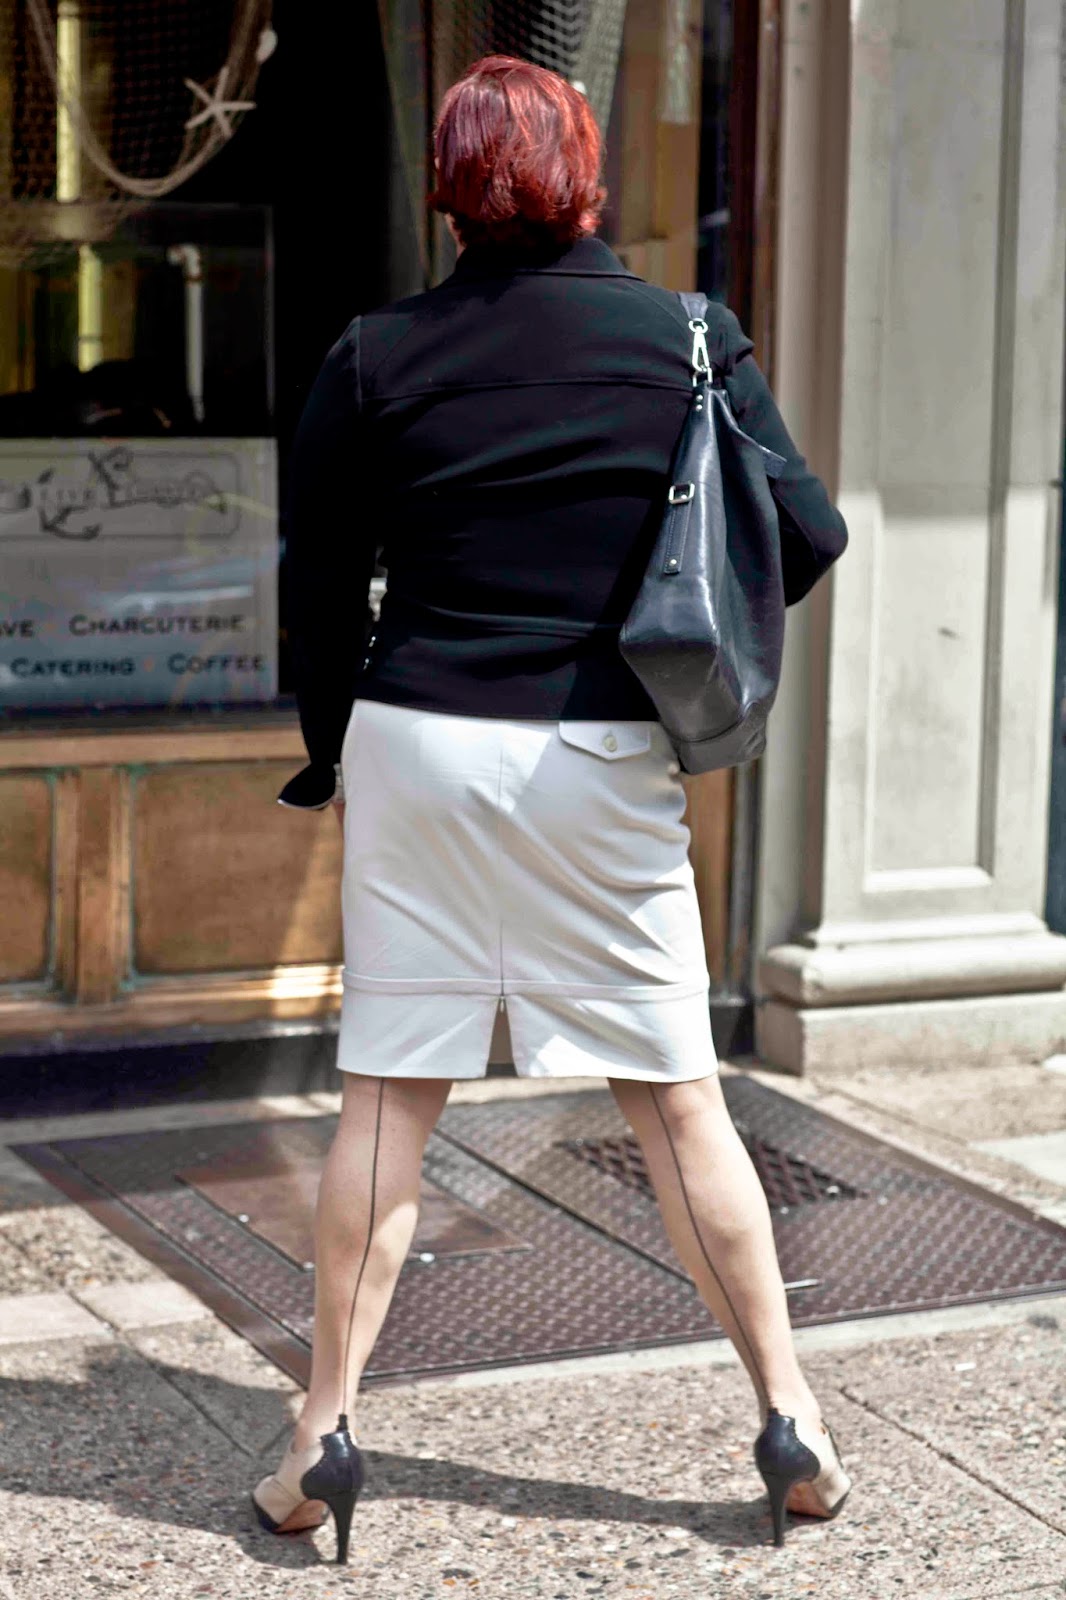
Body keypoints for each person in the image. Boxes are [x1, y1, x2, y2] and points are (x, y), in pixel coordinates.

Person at [252, 54, 851, 1560]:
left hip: (422, 737)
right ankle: (789, 1423)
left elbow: (318, 589)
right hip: (601, 749)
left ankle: (318, 1436)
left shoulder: (374, 355)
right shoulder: (688, 340)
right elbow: (810, 529)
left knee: (391, 1090)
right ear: (583, 173)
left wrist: (334, 747)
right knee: (671, 1096)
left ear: (447, 183)